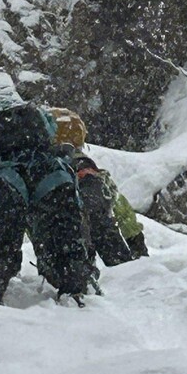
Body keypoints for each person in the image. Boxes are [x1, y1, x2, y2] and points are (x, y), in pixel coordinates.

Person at [0, 100, 96, 308]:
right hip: (53, 176)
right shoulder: (51, 155)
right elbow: (78, 219)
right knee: (68, 251)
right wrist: (84, 262)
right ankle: (78, 297)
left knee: (5, 252)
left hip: (5, 182)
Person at [49, 108, 148, 263]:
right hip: (101, 227)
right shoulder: (91, 171)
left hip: (62, 238)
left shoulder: (44, 170)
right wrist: (137, 245)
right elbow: (122, 209)